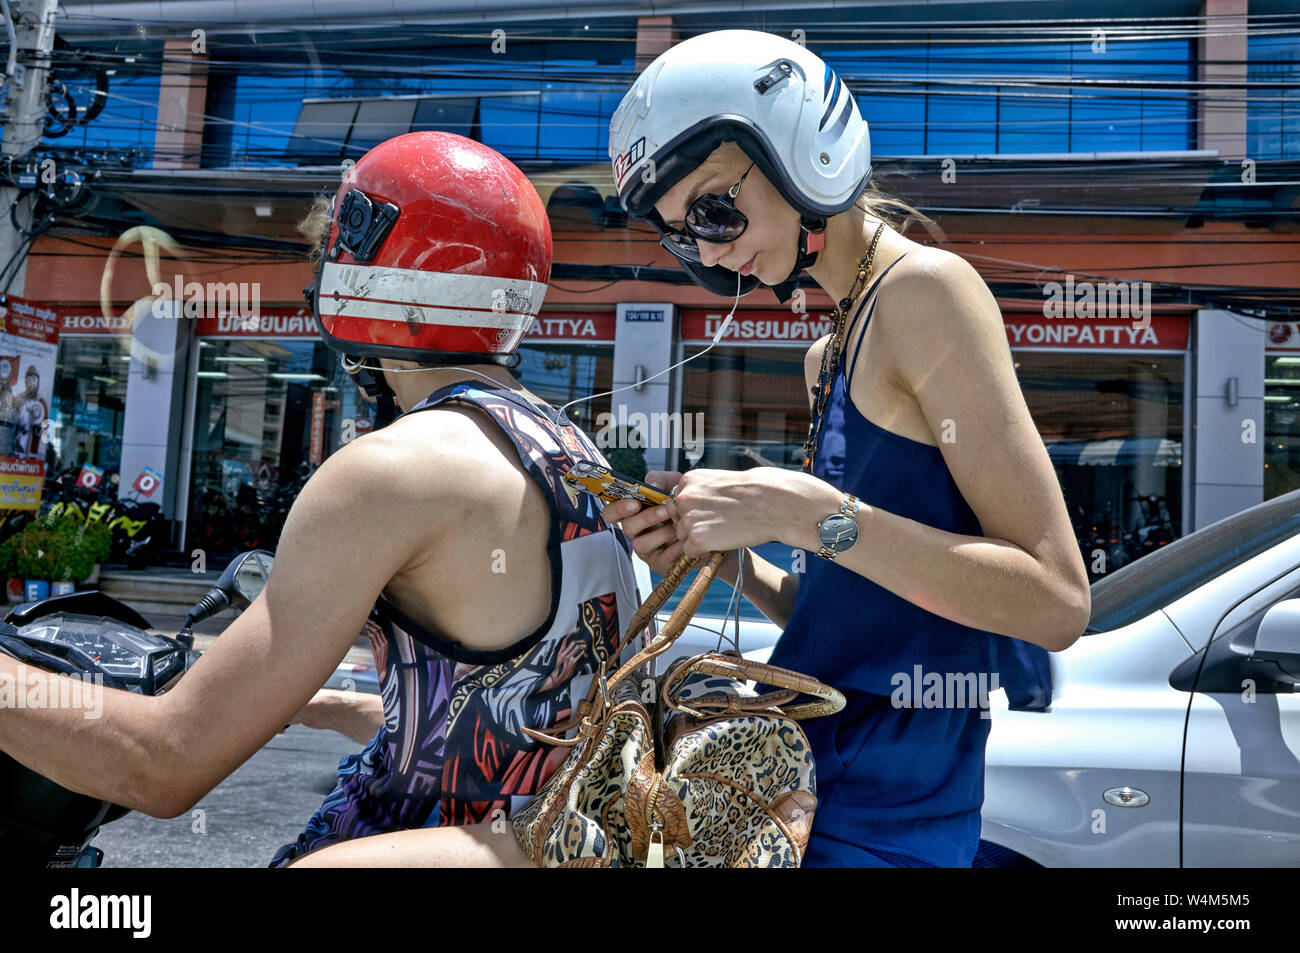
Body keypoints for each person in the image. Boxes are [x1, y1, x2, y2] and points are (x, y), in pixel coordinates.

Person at [0, 131, 642, 867]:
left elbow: (162, 765)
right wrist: (322, 703)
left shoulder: (389, 472)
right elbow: (517, 709)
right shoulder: (568, 447)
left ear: (378, 276)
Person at [602, 31, 1090, 867]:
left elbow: (1054, 601)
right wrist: (733, 559)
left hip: (888, 819)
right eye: (684, 234)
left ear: (798, 148)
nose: (713, 251)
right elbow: (862, 618)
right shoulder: (827, 350)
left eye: (715, 209)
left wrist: (806, 508)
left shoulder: (926, 293)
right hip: (798, 791)